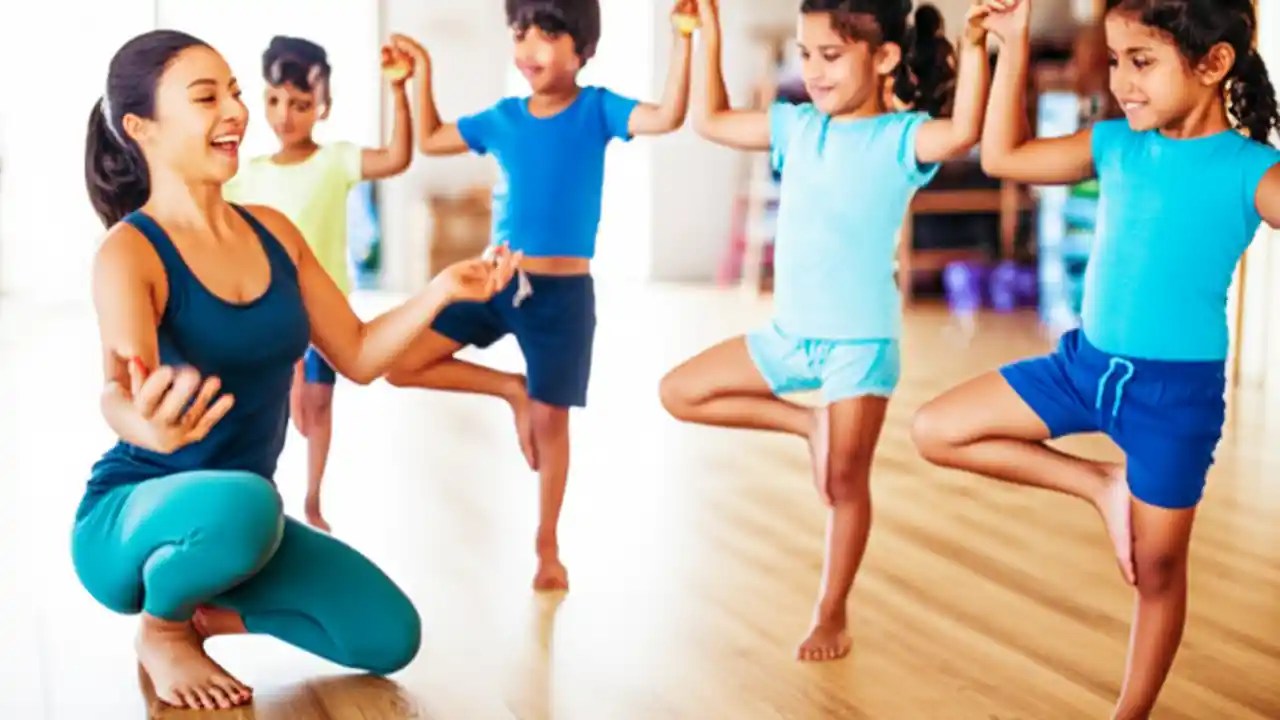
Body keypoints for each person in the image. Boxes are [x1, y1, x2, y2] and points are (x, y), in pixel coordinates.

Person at [75, 29, 520, 711]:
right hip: (132, 525)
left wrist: (440, 291)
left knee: (387, 635)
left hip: (239, 525)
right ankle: (162, 629)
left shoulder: (274, 231)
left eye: (233, 92)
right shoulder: (128, 253)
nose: (236, 112)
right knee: (250, 503)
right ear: (142, 129)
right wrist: (145, 422)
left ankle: (201, 612)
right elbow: (117, 390)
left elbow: (361, 355)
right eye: (206, 98)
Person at [910, 0, 1280, 717]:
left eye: (1140, 62)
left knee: (1156, 571)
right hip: (1083, 368)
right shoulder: (1113, 145)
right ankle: (1100, 486)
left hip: (1174, 402)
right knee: (935, 430)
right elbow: (1002, 157)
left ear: (1214, 64)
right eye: (1116, 61)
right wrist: (1007, 46)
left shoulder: (1251, 170)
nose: (1122, 82)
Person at [659, 0, 990, 662]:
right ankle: (806, 423)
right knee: (680, 392)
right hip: (789, 334)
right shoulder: (797, 126)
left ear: (884, 57)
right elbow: (713, 119)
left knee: (844, 483)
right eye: (805, 55)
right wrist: (710, 34)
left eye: (830, 57)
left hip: (860, 342)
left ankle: (831, 612)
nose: (812, 71)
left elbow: (962, 134)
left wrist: (980, 43)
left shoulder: (901, 138)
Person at [384, 0, 695, 592]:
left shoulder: (598, 109)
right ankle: (510, 388)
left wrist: (684, 41)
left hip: (564, 296)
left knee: (553, 424)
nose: (530, 46)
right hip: (494, 280)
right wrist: (415, 76)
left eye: (548, 33)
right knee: (399, 364)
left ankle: (547, 545)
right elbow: (429, 137)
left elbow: (668, 115)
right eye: (520, 31)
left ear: (583, 49)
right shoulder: (504, 117)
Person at [223, 34, 416, 533]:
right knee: (288, 409)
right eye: (274, 100)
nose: (285, 115)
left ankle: (313, 497)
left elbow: (396, 157)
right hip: (270, 316)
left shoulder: (336, 161)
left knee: (319, 405)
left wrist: (398, 90)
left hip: (324, 313)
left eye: (301, 104)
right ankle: (267, 494)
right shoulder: (246, 176)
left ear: (323, 107)